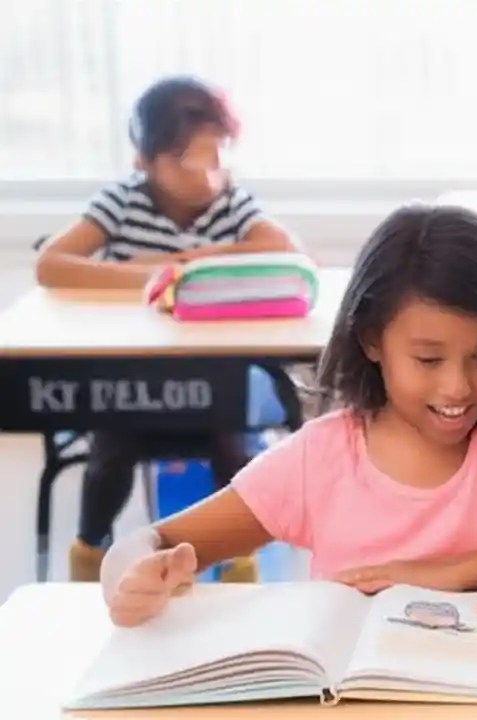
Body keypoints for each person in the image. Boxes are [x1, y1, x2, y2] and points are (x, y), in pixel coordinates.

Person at [100, 205, 477, 628]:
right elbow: (152, 541)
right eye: (428, 360)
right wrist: (131, 579)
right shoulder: (320, 457)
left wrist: (450, 572)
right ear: (371, 340)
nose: (458, 386)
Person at [34, 76, 299, 582]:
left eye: (216, 156)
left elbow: (286, 252)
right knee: (111, 446)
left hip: (212, 384)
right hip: (131, 382)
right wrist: (158, 278)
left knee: (234, 440)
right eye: (186, 160)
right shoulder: (123, 200)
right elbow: (51, 264)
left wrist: (193, 262)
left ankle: (239, 564)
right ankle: (89, 553)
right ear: (145, 160)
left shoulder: (230, 203)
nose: (206, 175)